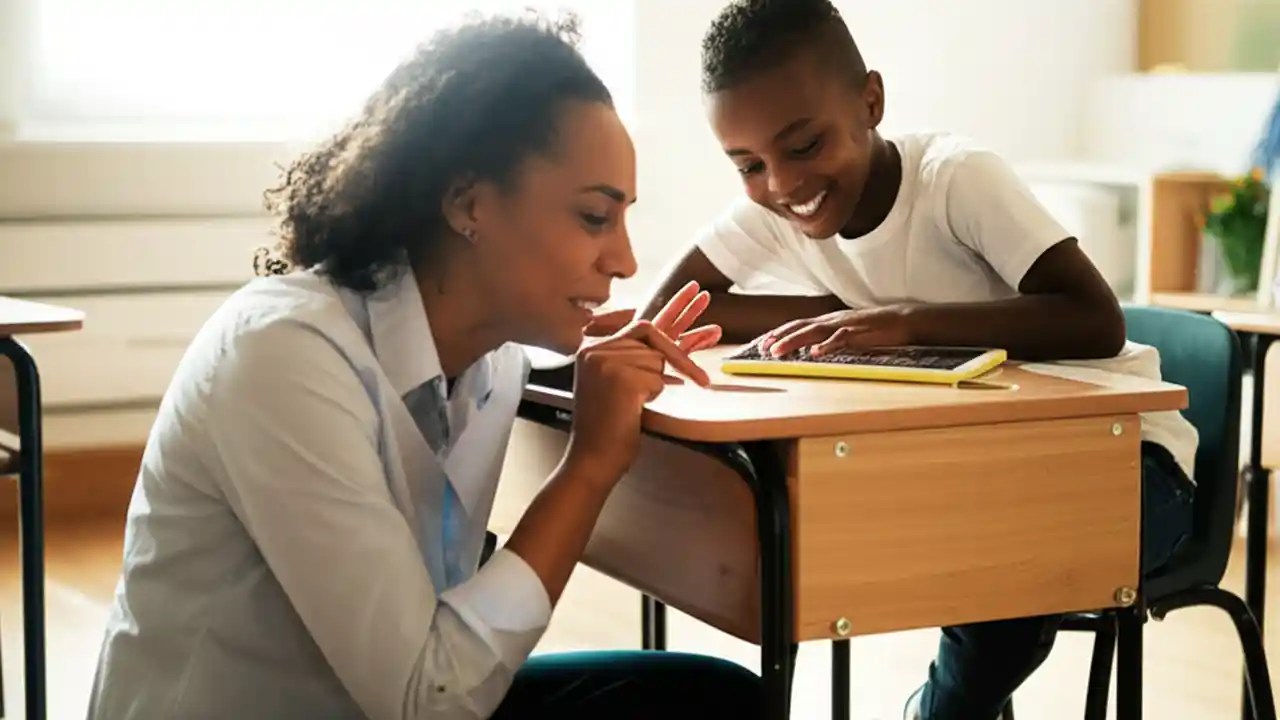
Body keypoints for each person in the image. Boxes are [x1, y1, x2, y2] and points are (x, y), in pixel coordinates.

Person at [86, 13, 763, 720]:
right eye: (595, 218)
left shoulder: (495, 363)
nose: (624, 261)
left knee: (713, 700)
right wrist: (589, 465)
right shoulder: (283, 356)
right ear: (468, 204)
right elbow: (426, 699)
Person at [640, 1, 1199, 718]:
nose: (781, 185)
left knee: (998, 568)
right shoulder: (784, 211)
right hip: (987, 471)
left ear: (870, 101)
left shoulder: (955, 179)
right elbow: (676, 310)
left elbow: (1095, 318)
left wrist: (902, 323)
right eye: (748, 164)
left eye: (804, 146)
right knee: (854, 547)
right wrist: (827, 316)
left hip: (1129, 468)